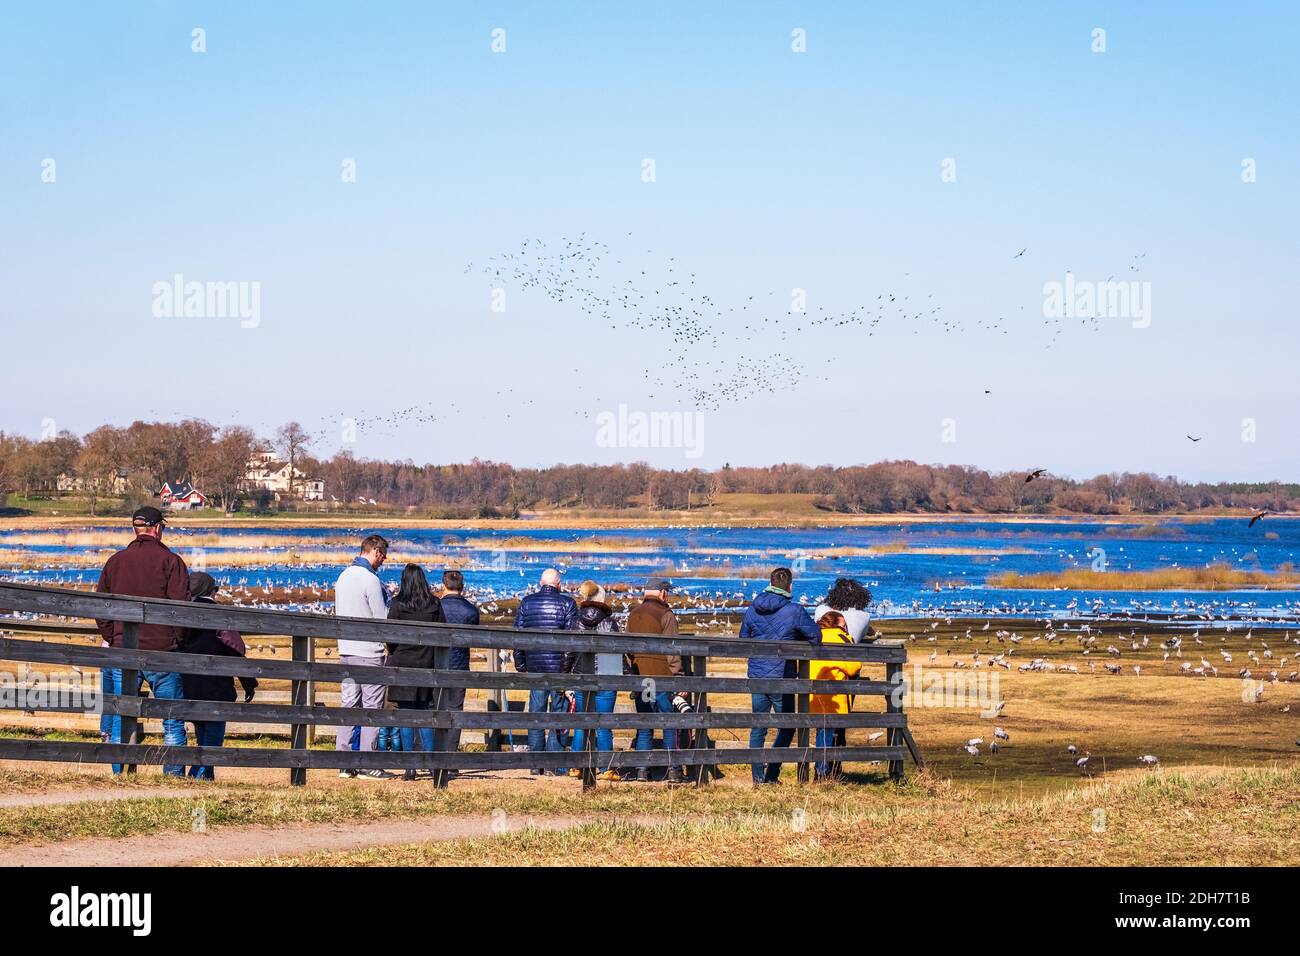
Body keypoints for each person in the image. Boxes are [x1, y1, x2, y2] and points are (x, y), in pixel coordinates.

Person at [94, 506, 190, 777]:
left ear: (135, 529)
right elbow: (182, 611)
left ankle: (118, 773)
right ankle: (173, 775)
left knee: (120, 718)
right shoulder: (171, 562)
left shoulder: (115, 561)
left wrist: (112, 637)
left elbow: (101, 607)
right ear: (158, 528)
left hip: (123, 651)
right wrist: (175, 641)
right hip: (162, 652)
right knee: (172, 719)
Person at [741, 566, 821, 786]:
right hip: (782, 676)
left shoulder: (752, 609)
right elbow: (815, 635)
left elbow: (743, 638)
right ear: (790, 586)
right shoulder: (794, 611)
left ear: (770, 582)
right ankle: (772, 774)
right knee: (786, 726)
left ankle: (758, 776)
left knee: (759, 726)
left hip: (757, 676)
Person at [177, 572, 257, 780]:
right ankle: (196, 775)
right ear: (212, 591)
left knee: (201, 731)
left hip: (189, 683)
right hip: (216, 686)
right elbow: (235, 649)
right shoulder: (221, 615)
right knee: (213, 736)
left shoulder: (181, 614)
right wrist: (248, 682)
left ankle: (205, 778)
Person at [333, 534, 394, 779]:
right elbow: (381, 618)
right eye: (383, 556)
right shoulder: (370, 580)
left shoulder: (343, 577)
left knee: (349, 705)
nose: (383, 561)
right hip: (369, 652)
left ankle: (344, 762)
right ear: (376, 552)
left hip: (346, 651)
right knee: (372, 707)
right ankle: (369, 762)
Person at [512, 568, 577, 776]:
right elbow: (571, 642)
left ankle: (535, 763)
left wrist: (521, 664)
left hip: (535, 667)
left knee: (536, 716)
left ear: (541, 583)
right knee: (559, 716)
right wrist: (566, 669)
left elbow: (517, 637)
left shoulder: (527, 603)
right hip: (558, 669)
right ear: (559, 584)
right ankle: (554, 764)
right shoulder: (568, 604)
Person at [385, 564, 443, 779]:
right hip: (426, 663)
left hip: (403, 663)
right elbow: (443, 633)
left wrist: (393, 651)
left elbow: (389, 634)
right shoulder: (434, 603)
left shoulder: (398, 604)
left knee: (406, 713)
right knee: (425, 712)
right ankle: (429, 761)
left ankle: (410, 766)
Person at [626, 577, 685, 784]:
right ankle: (673, 769)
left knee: (645, 724)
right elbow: (673, 650)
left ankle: (642, 769)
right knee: (669, 723)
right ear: (662, 593)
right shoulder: (666, 614)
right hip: (662, 678)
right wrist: (677, 676)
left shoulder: (633, 614)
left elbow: (628, 649)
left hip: (643, 678)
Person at [565, 580, 621, 780]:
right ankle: (606, 768)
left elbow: (569, 652)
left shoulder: (575, 621)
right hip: (606, 677)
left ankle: (576, 766)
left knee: (581, 721)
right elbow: (616, 652)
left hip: (582, 676)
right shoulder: (610, 623)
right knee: (603, 723)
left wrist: (565, 675)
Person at [436, 569, 479, 758]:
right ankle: (450, 756)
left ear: (443, 586)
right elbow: (474, 640)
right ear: (462, 587)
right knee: (455, 710)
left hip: (436, 664)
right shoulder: (471, 610)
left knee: (434, 709)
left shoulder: (435, 607)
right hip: (459, 664)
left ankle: (432, 754)